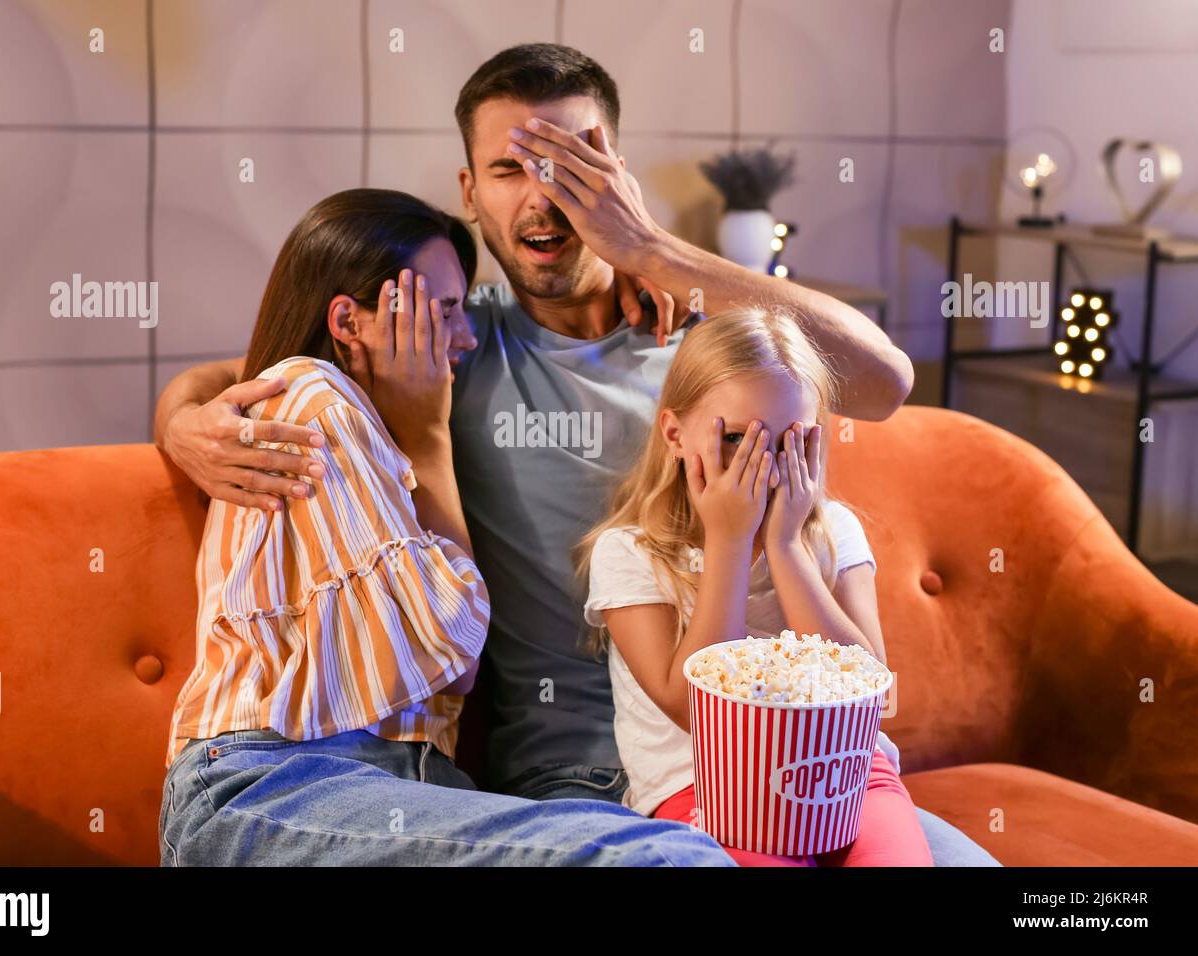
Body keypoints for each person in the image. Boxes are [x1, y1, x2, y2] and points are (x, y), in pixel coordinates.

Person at [156, 44, 998, 865]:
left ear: (617, 178)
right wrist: (183, 424)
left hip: (784, 752)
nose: (543, 199)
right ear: (469, 191)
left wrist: (652, 251)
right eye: (511, 168)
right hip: (583, 776)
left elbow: (883, 380)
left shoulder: (708, 350)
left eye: (571, 164)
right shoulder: (449, 343)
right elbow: (282, 363)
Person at [161, 187, 739, 865]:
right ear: (349, 322)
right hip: (270, 785)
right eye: (441, 314)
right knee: (665, 860)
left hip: (401, 787)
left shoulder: (376, 426)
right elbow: (448, 649)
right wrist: (431, 436)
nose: (464, 337)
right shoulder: (313, 400)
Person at [580, 310, 933, 866]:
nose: (763, 469)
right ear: (675, 434)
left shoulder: (832, 532)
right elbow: (692, 710)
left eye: (790, 442)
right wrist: (729, 542)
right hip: (703, 787)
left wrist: (788, 548)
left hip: (846, 770)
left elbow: (871, 695)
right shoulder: (630, 553)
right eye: (738, 440)